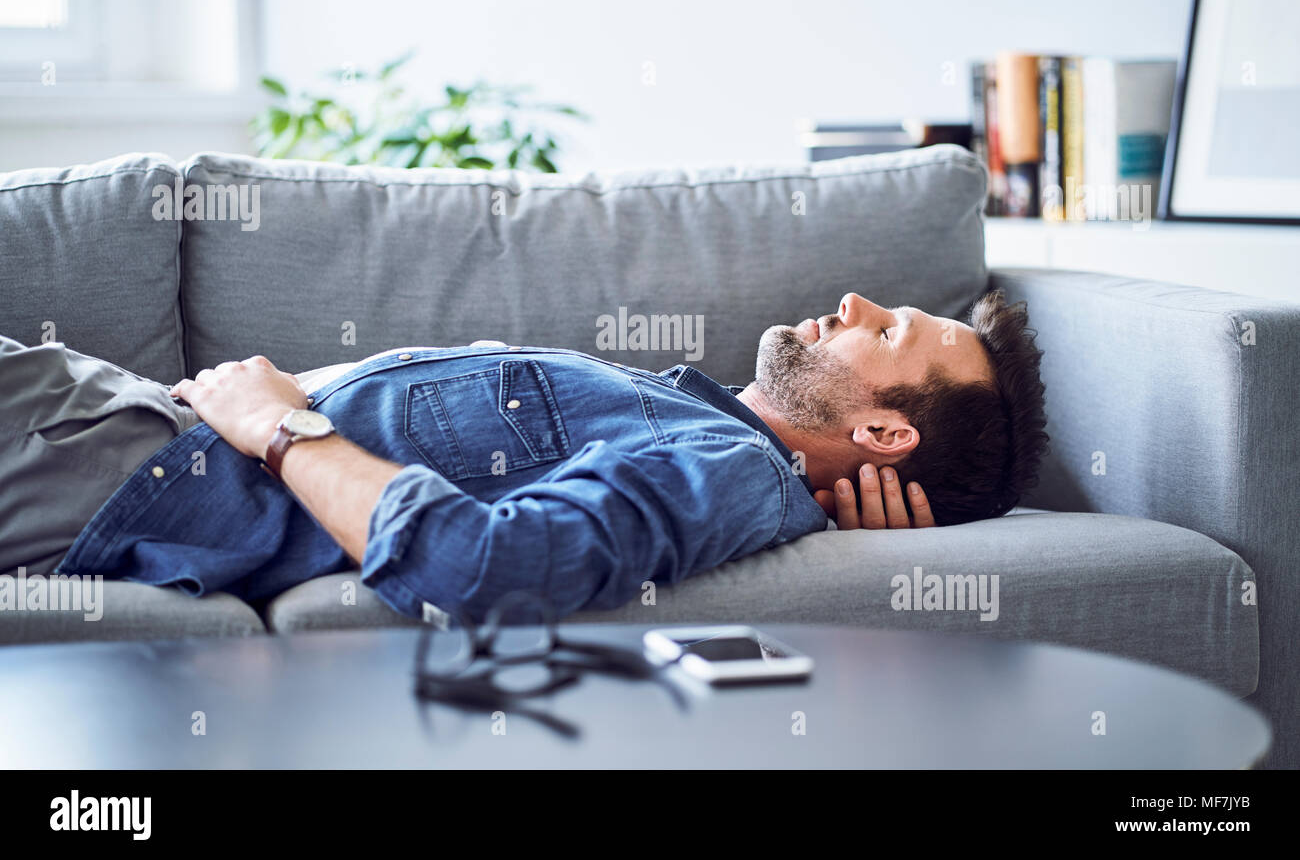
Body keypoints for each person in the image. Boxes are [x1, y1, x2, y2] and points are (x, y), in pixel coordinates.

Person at [1, 290, 1047, 621]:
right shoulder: (692, 421)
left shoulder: (727, 470)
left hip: (118, 466)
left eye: (888, 331)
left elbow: (489, 570)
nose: (854, 303)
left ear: (882, 436)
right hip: (129, 429)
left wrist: (279, 426)